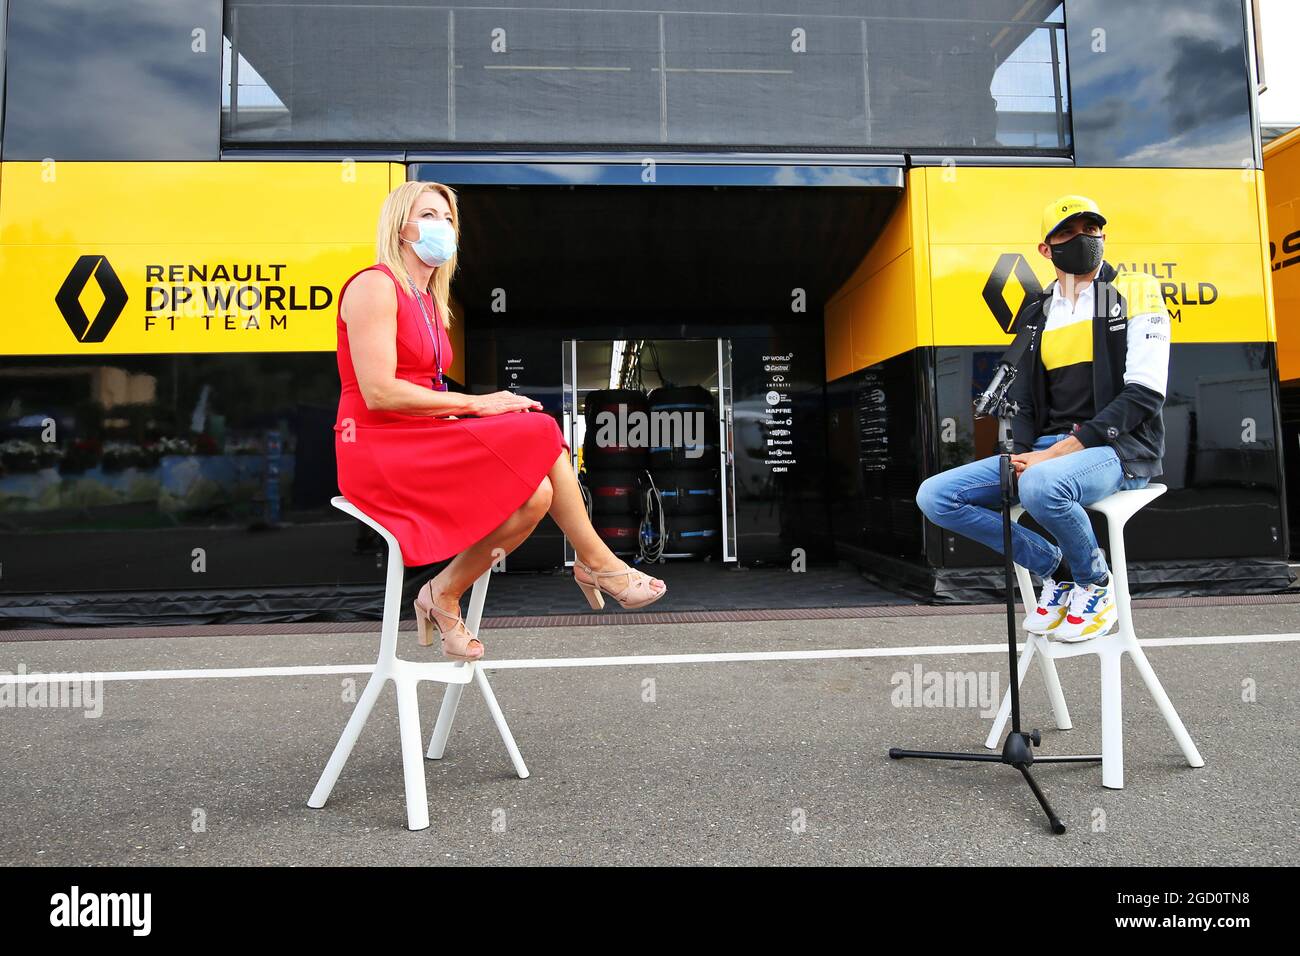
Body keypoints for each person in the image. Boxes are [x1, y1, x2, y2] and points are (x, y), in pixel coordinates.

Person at [334, 181, 666, 660]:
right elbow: (380, 392)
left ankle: (441, 593)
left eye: (449, 220)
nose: (442, 228)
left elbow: (429, 394)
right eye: (429, 216)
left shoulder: (429, 303)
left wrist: (477, 407)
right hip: (379, 448)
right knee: (538, 427)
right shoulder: (374, 285)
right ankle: (597, 561)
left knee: (538, 493)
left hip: (422, 437)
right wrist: (480, 404)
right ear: (400, 226)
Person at [916, 195, 1171, 642]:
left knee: (1040, 484)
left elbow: (1145, 393)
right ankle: (1059, 569)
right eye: (1069, 233)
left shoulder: (1135, 289)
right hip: (1046, 451)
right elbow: (1023, 401)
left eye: (1091, 230)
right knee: (936, 496)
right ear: (1046, 249)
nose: (1084, 239)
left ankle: (1096, 584)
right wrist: (1017, 453)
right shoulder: (1038, 309)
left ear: (1104, 236)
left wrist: (1053, 454)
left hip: (1116, 449)